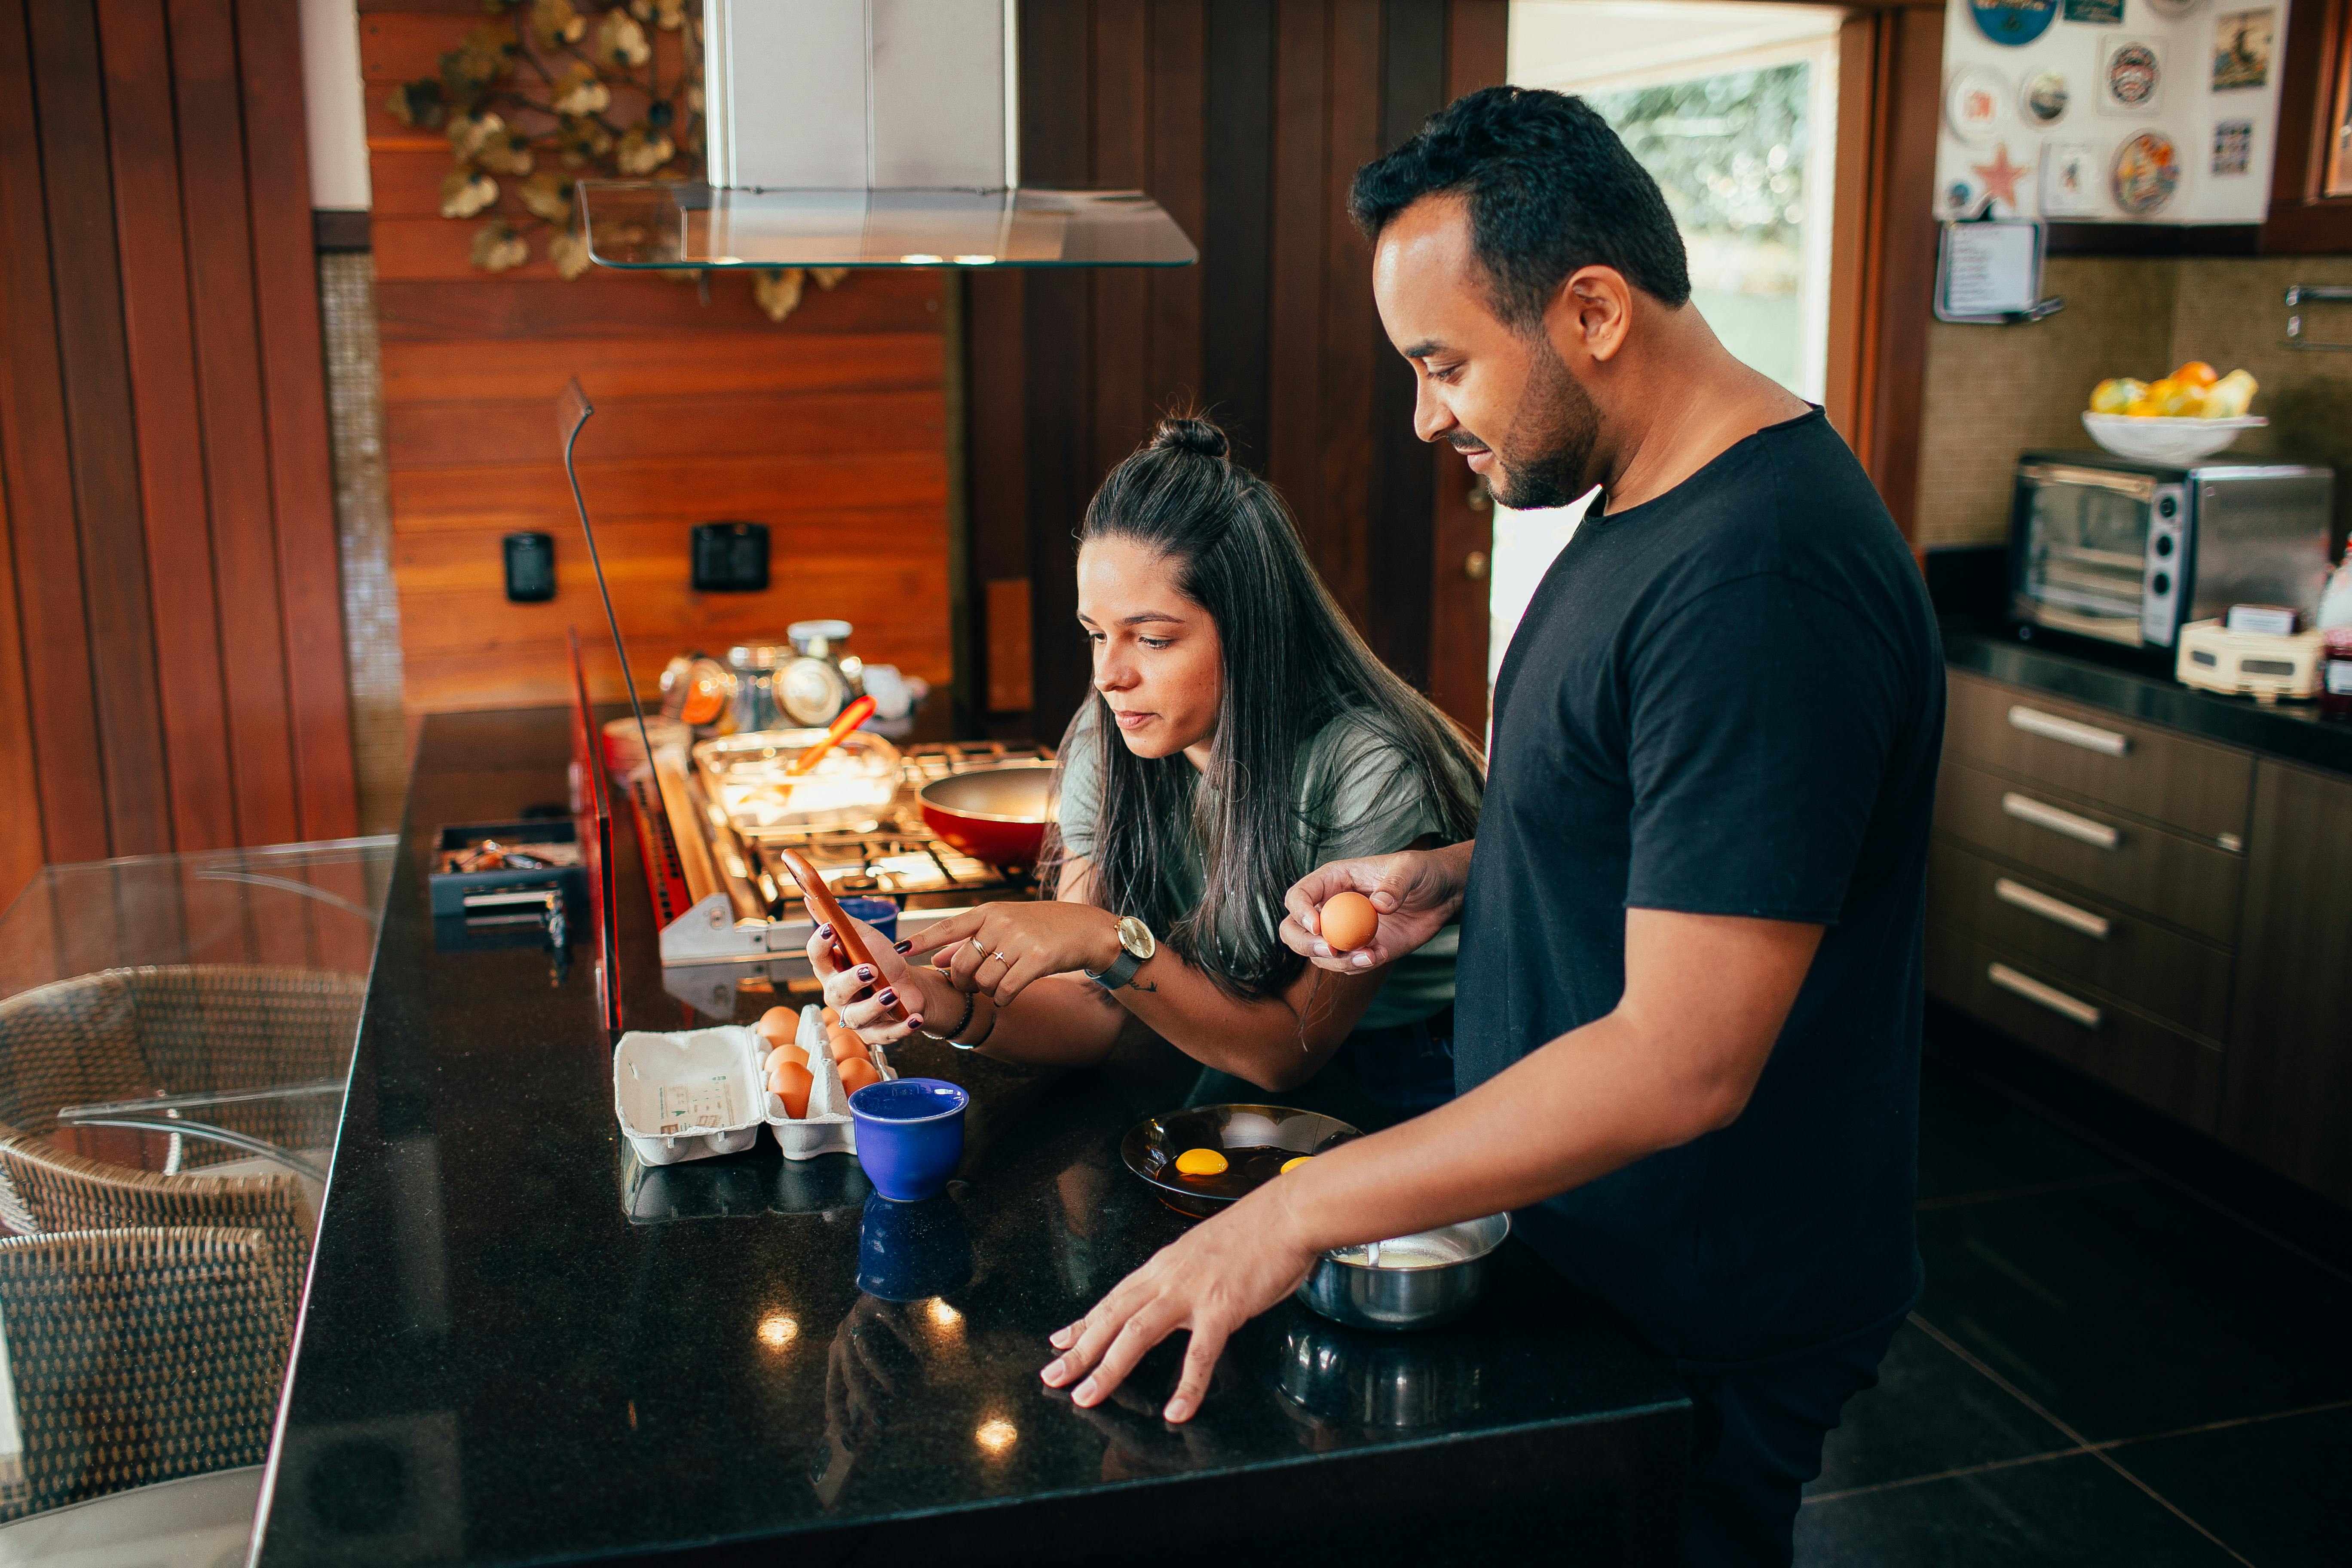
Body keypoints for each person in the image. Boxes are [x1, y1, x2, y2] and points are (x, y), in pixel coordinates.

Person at [1029, 88, 1945, 1568]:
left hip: (1699, 1292)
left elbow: (1685, 1054)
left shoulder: (1758, 576)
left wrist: (1295, 1211)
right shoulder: (1640, 507)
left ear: (1590, 309)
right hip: (1594, 1241)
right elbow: (1669, 821)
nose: (1424, 412)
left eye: (1443, 362)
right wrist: (1460, 871)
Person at [809, 414, 1483, 1117]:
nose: (1109, 675)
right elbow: (1086, 1012)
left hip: (1428, 1068)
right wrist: (933, 1001)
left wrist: (1107, 941)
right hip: (1233, 1044)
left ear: (1252, 631)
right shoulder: (1113, 742)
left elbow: (1287, 1052)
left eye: (1153, 639)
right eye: (1097, 635)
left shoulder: (1368, 768)